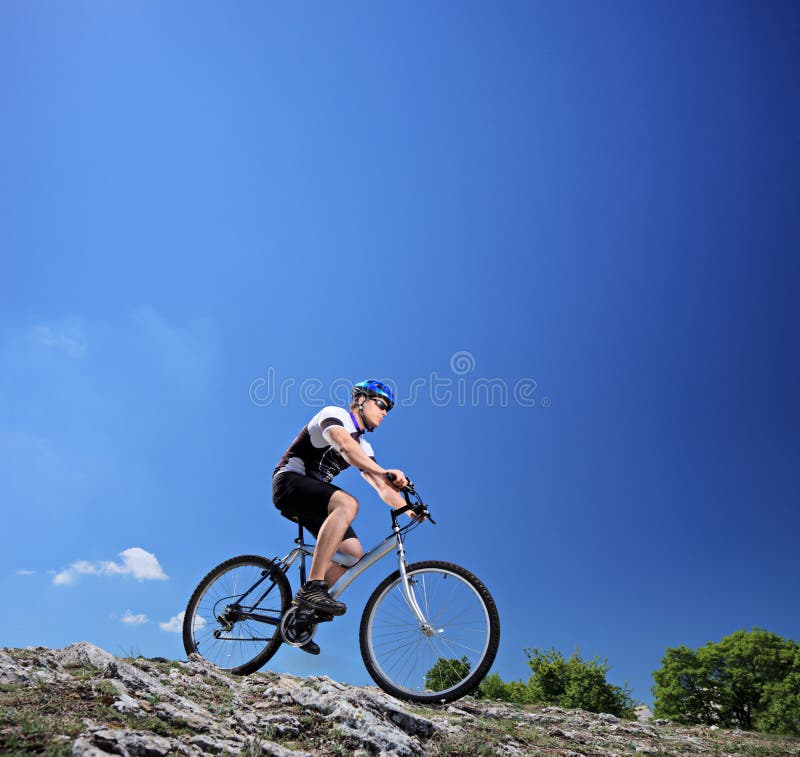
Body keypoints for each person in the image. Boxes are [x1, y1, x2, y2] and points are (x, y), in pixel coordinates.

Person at [271, 380, 409, 655]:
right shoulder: (335, 415)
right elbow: (344, 446)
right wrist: (385, 472)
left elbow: (381, 486)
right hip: (289, 483)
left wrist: (409, 509)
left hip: (317, 500)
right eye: (380, 404)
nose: (384, 412)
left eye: (388, 410)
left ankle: (301, 615)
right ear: (360, 400)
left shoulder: (365, 446)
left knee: (352, 554)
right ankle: (313, 587)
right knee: (347, 503)